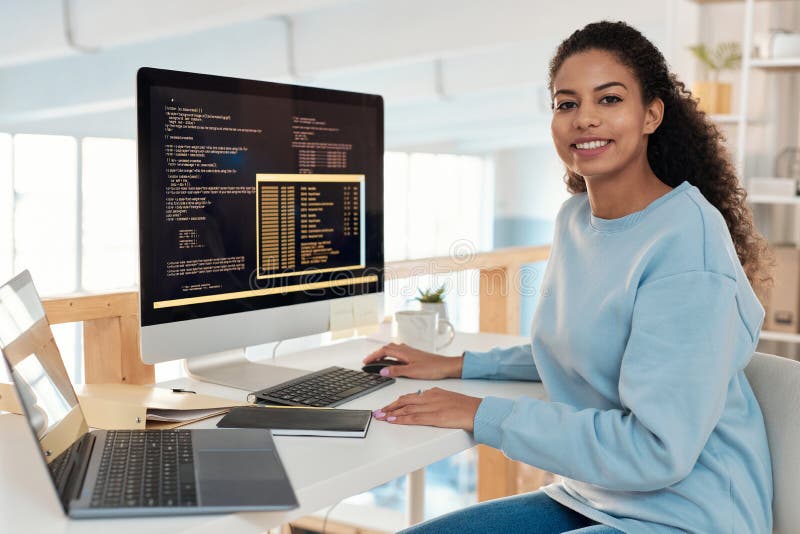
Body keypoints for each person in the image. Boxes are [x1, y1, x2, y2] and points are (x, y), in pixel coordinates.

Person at [365, 20, 774, 533]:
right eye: (566, 103)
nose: (584, 119)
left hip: (686, 516)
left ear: (651, 114)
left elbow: (657, 451)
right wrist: (457, 364)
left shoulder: (687, 242)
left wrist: (480, 413)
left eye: (608, 99)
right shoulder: (576, 219)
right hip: (593, 498)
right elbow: (581, 345)